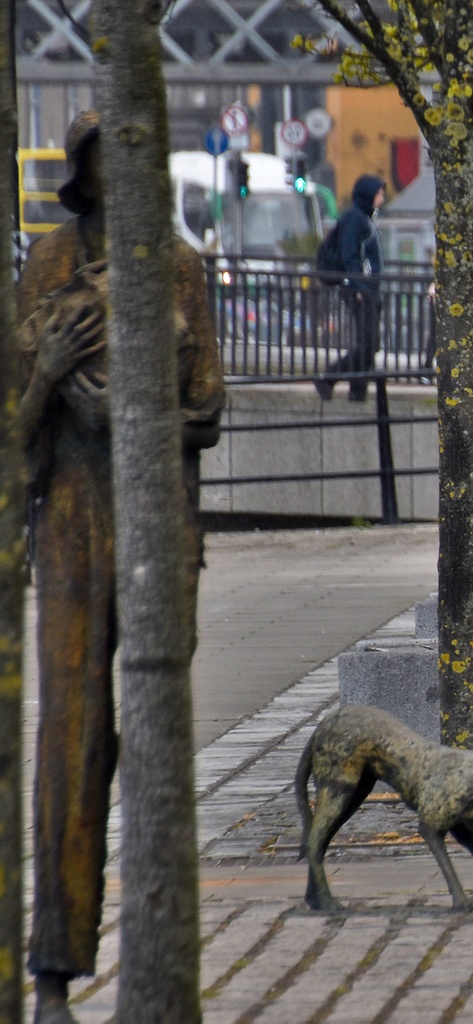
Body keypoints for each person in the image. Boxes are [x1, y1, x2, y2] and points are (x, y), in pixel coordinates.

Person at [17, 110, 225, 1024]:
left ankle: (157, 950)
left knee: (153, 745)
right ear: (86, 173)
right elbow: (11, 433)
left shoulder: (180, 267)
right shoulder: (46, 267)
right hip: (68, 525)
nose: (124, 175)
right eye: (109, 161)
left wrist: (132, 419)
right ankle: (54, 968)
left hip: (156, 531)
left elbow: (210, 411)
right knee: (71, 743)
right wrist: (49, 378)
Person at [316, 173, 385, 401]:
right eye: (378, 194)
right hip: (358, 289)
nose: (381, 199)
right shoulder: (355, 219)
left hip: (366, 289)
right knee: (368, 343)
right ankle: (330, 378)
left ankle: (358, 388)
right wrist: (358, 287)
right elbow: (350, 255)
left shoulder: (364, 218)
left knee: (370, 343)